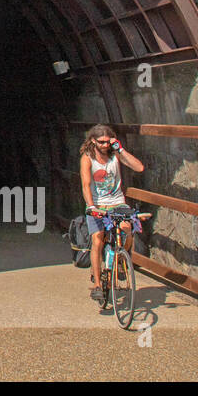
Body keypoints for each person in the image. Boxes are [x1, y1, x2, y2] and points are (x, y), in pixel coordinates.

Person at [80, 124, 145, 299]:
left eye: (108, 142)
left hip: (117, 203)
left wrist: (120, 150)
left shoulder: (115, 155)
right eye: (101, 142)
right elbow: (86, 184)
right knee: (97, 238)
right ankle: (98, 285)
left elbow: (139, 167)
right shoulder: (88, 158)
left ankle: (119, 260)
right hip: (98, 204)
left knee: (127, 230)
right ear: (93, 141)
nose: (105, 145)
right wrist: (91, 206)